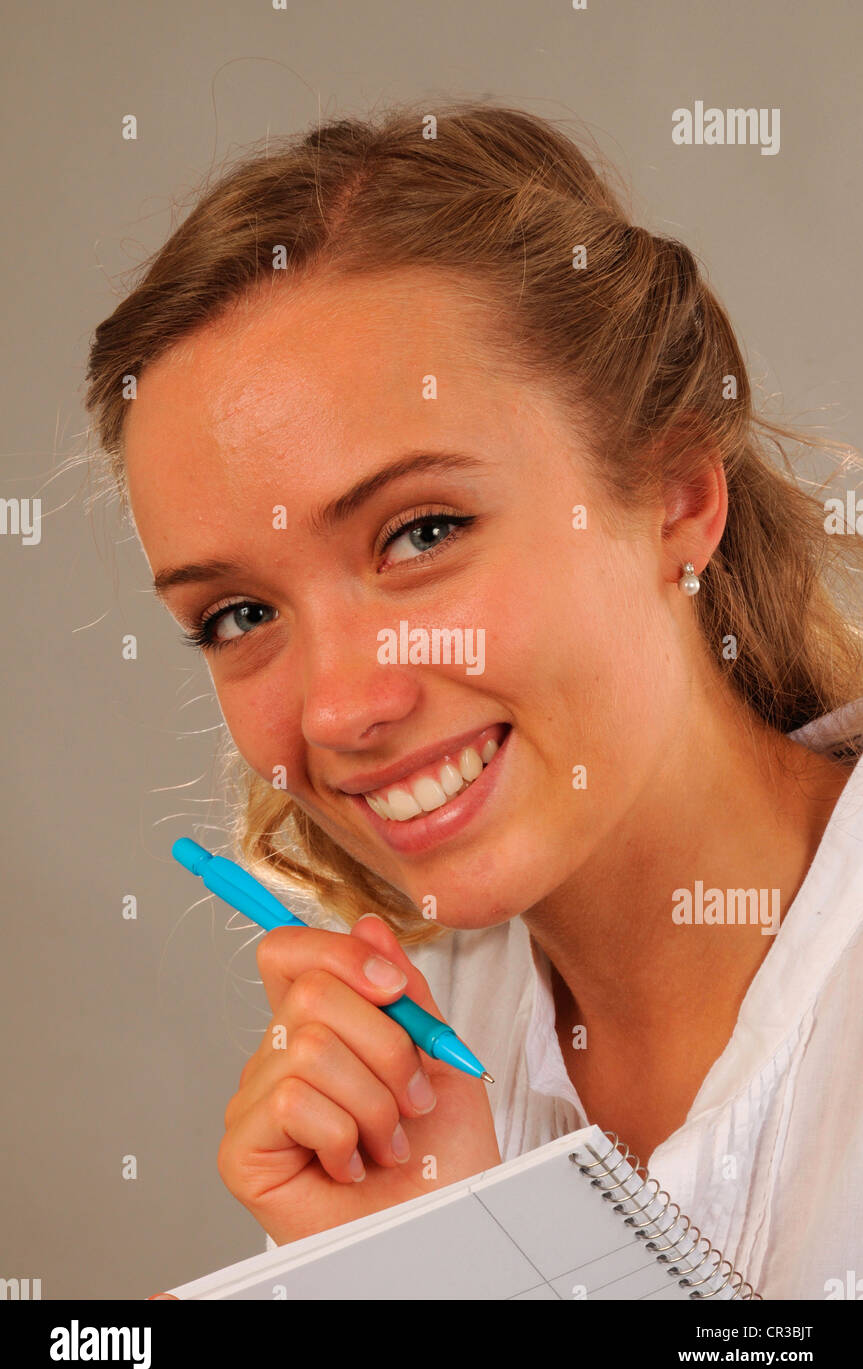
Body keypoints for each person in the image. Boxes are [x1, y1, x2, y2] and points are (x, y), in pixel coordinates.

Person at [85, 101, 863, 1300]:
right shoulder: (413, 1073)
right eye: (237, 616)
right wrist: (415, 1266)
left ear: (676, 495)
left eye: (421, 532)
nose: (340, 708)